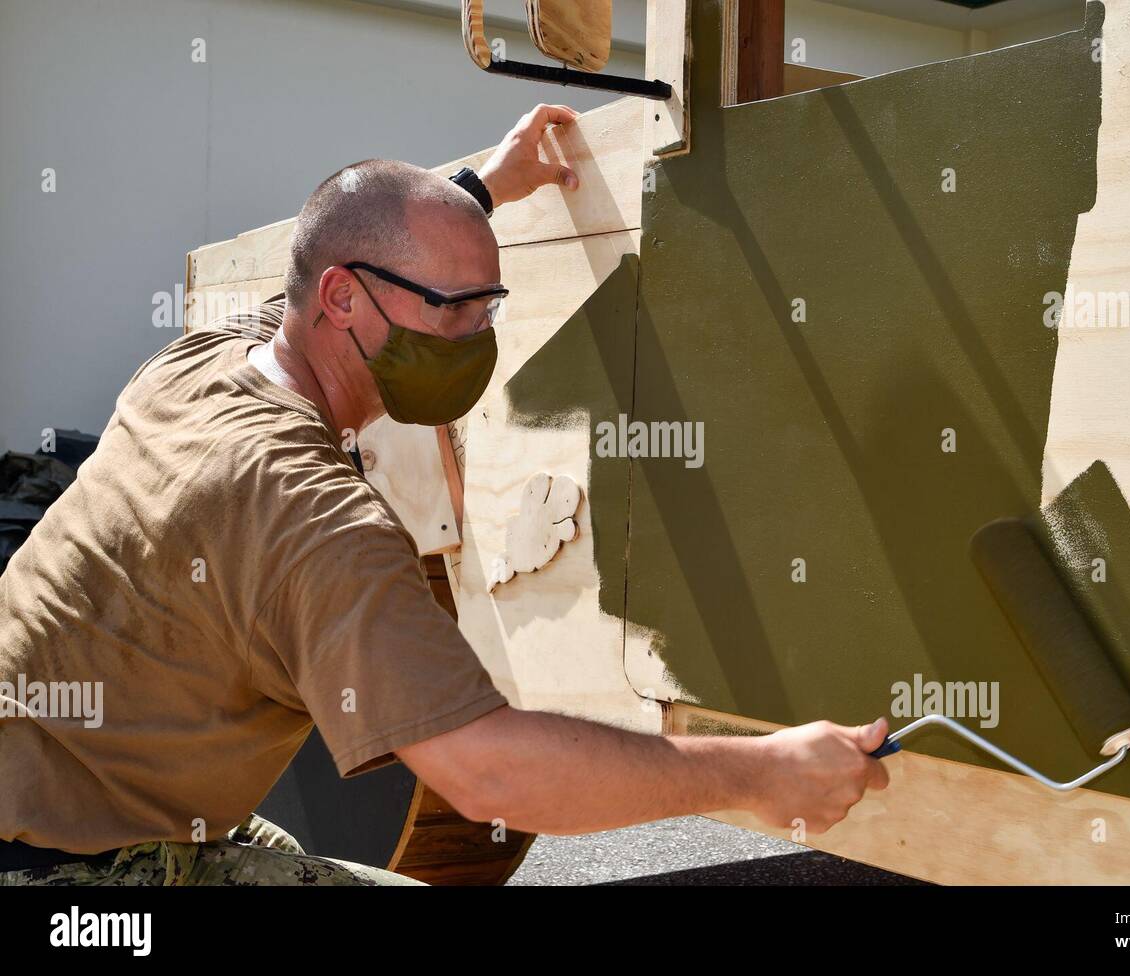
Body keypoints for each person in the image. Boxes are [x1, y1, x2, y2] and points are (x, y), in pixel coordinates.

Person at [0, 105, 889, 886]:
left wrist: (483, 186)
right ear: (342, 298)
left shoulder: (204, 363)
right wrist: (761, 772)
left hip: (57, 792)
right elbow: (488, 773)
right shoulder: (317, 519)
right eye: (451, 310)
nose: (475, 337)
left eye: (488, 307)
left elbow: (342, 246)